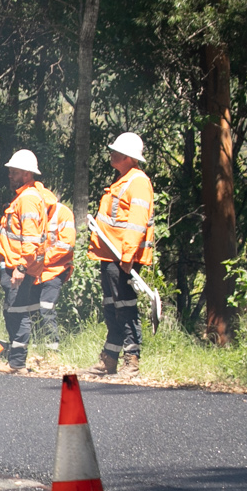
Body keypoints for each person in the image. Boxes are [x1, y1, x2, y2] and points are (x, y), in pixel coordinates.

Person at [0, 149, 74, 372]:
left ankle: (16, 362)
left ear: (27, 174)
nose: (10, 175)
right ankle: (16, 361)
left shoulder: (27, 199)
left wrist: (21, 267)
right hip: (15, 265)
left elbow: (31, 239)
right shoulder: (26, 197)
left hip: (18, 266)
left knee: (19, 313)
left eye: (14, 171)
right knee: (14, 312)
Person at [90, 131, 155, 376]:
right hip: (109, 256)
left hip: (122, 259)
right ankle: (110, 359)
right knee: (112, 307)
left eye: (116, 150)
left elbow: (137, 222)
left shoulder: (137, 182)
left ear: (128, 157)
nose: (112, 153)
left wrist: (127, 256)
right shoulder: (121, 180)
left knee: (125, 307)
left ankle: (132, 360)